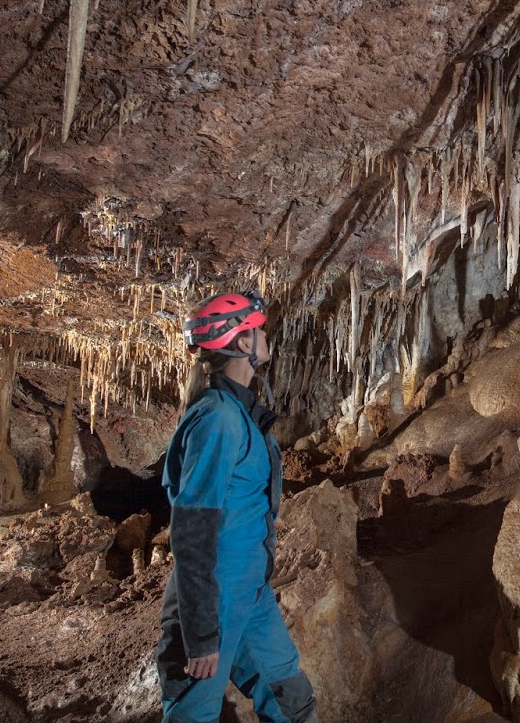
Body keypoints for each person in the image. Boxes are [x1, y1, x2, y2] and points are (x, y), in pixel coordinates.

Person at [156, 291, 317, 723]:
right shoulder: (219, 420)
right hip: (215, 595)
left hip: (250, 592)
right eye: (258, 328)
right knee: (194, 713)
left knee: (290, 697)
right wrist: (202, 632)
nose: (265, 334)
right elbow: (192, 528)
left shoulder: (238, 415)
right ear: (243, 344)